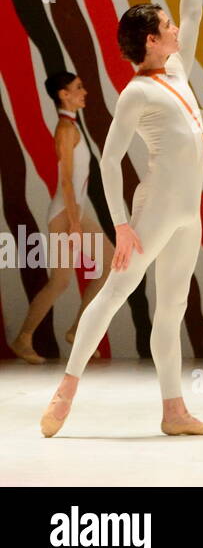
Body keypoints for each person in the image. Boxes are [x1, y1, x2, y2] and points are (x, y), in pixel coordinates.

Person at [41, 0, 203, 438]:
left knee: (173, 308)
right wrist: (121, 224)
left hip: (189, 213)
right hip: (154, 210)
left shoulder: (178, 71)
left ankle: (174, 410)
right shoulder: (137, 92)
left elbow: (195, 10)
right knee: (116, 292)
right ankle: (65, 391)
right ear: (149, 40)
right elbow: (110, 159)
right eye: (166, 27)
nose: (176, 29)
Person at [7, 73, 107, 364]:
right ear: (64, 95)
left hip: (74, 208)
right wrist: (75, 223)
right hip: (67, 211)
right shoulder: (65, 129)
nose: (84, 91)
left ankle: (69, 331)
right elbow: (65, 181)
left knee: (74, 277)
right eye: (78, 88)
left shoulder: (72, 126)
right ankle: (40, 336)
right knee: (68, 279)